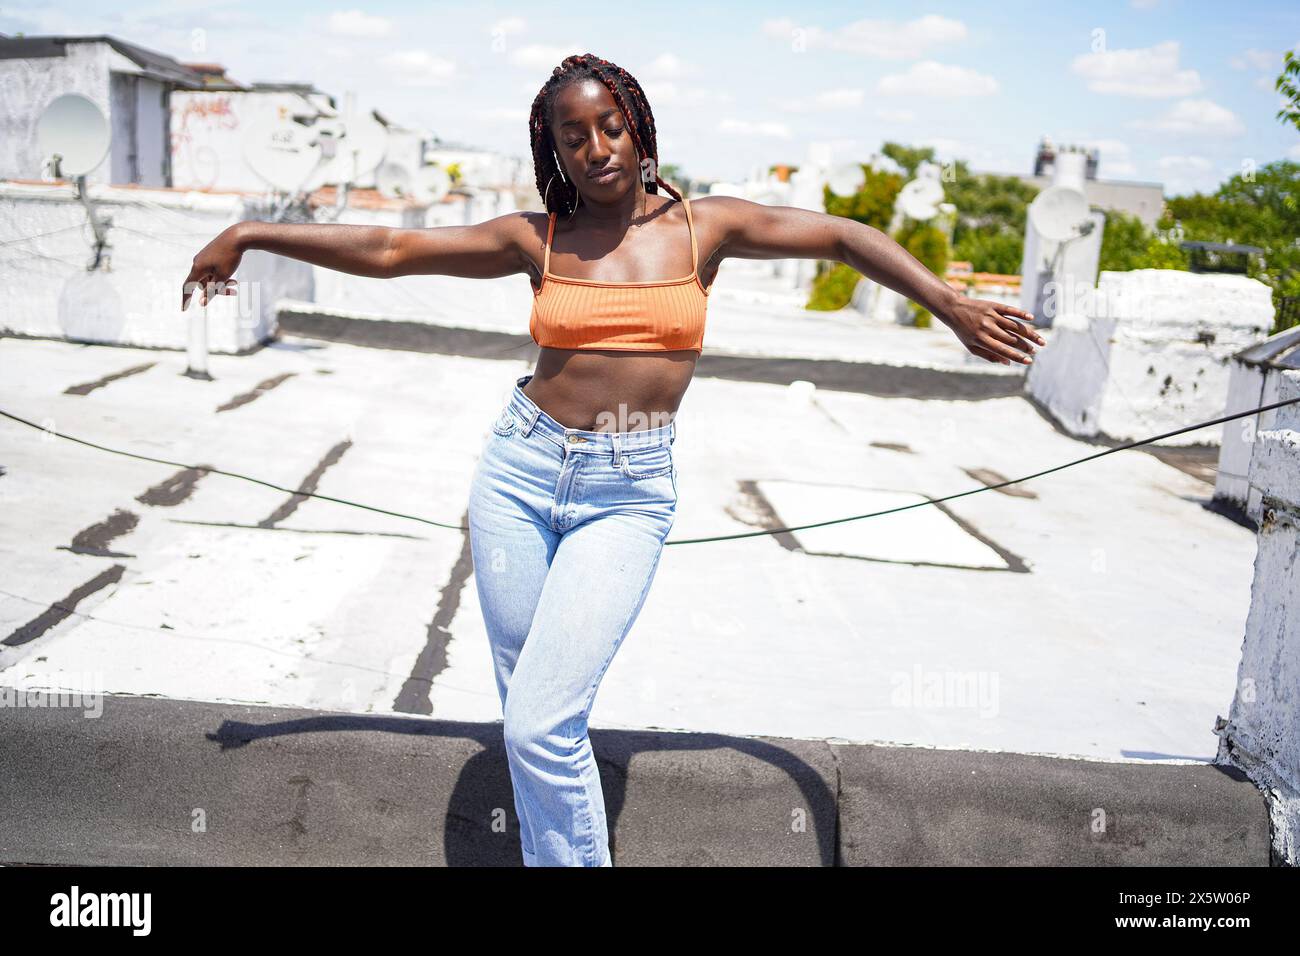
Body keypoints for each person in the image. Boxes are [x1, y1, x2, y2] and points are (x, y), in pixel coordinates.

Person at [182, 53, 1045, 868]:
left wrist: (949, 302)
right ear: (551, 146)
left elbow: (843, 238)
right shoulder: (541, 238)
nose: (595, 149)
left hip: (627, 490)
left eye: (609, 126)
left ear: (638, 126)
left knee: (537, 724)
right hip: (520, 473)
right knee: (533, 717)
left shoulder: (707, 228)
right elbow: (396, 252)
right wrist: (253, 232)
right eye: (572, 134)